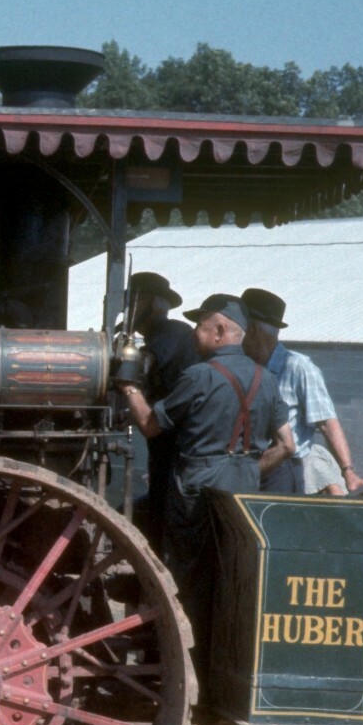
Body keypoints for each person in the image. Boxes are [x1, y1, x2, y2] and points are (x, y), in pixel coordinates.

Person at [122, 293, 292, 660]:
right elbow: (288, 445)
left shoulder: (199, 376)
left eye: (199, 327)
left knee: (185, 580)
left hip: (197, 489)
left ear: (219, 330)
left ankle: (179, 668)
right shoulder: (268, 378)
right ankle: (224, 678)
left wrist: (130, 386)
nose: (194, 334)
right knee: (230, 581)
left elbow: (151, 426)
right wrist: (245, 470)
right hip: (244, 490)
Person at [239, 288, 363, 496]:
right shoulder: (243, 367)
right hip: (249, 467)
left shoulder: (299, 367)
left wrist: (348, 472)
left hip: (283, 471)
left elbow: (326, 422)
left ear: (252, 329)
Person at [115, 271, 196, 557]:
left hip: (179, 448)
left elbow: (144, 366)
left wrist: (123, 374)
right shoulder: (159, 338)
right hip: (164, 445)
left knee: (166, 520)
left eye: (132, 304)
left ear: (151, 303)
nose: (128, 311)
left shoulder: (173, 332)